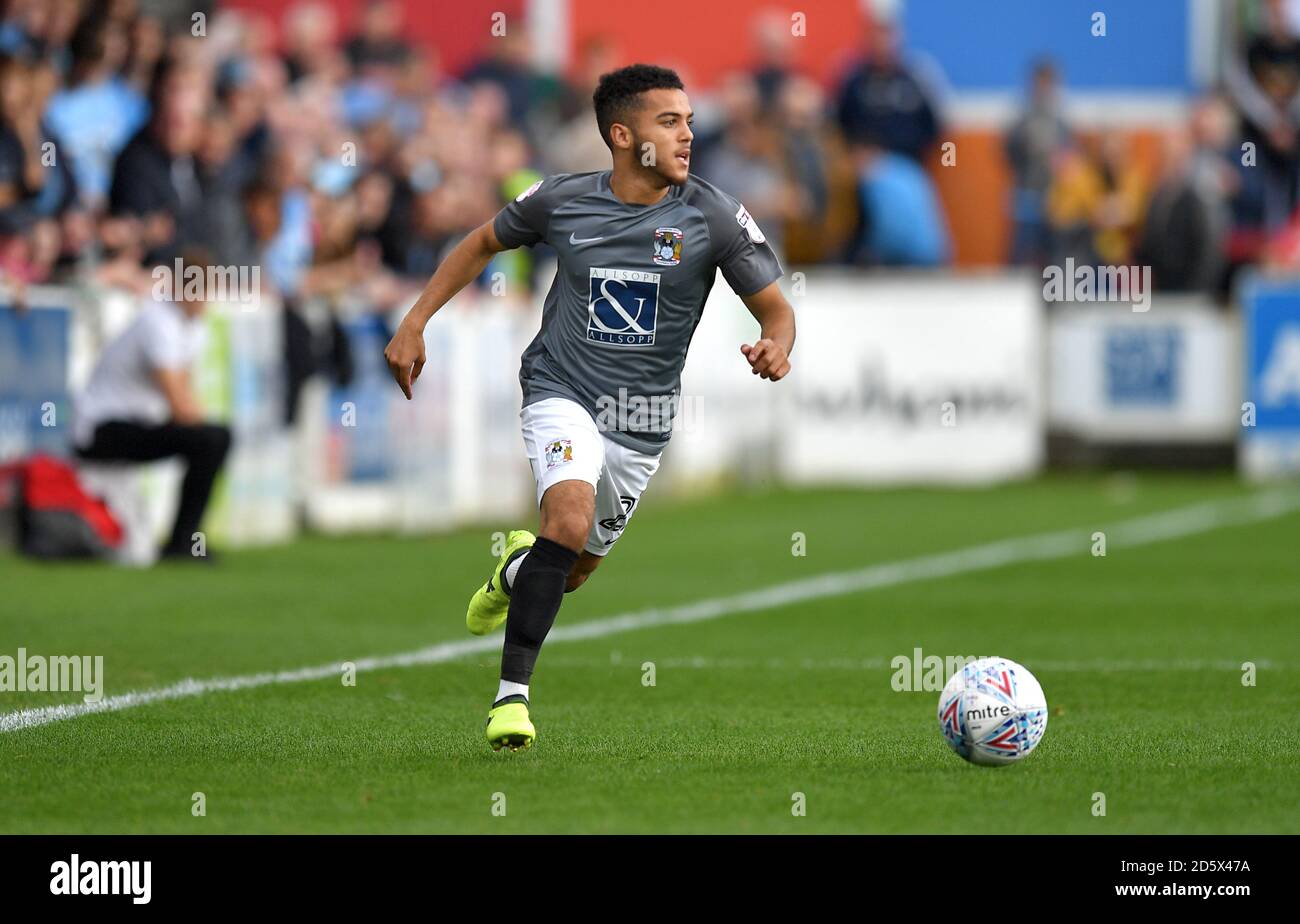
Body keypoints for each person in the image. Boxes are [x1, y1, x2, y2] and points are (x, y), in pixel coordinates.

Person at [384, 64, 795, 751]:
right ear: (623, 135)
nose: (688, 134)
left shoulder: (712, 214)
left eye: (690, 120)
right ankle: (511, 698)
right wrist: (415, 320)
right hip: (560, 387)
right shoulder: (562, 200)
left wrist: (776, 345)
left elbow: (776, 310)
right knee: (567, 518)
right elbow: (483, 241)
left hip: (642, 422)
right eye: (671, 122)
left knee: (567, 570)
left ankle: (515, 571)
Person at [73, 251, 231, 562]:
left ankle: (184, 540)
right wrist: (198, 419)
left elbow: (185, 397)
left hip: (135, 425)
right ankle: (182, 541)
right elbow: (179, 403)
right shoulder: (158, 321)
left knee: (214, 437)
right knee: (212, 439)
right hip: (102, 429)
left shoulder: (191, 328)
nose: (206, 299)